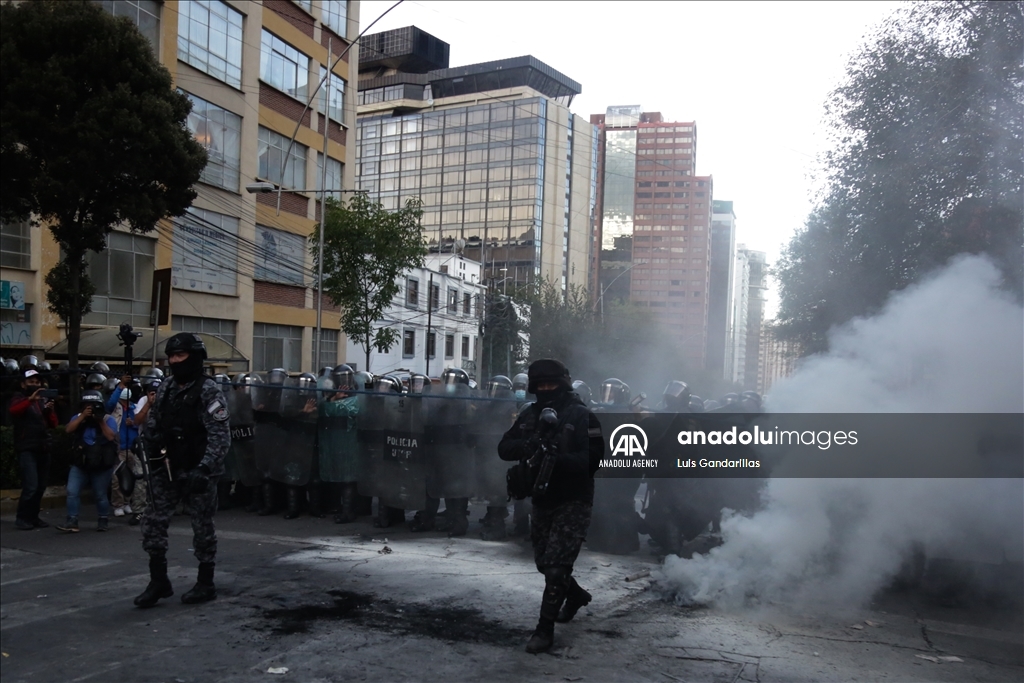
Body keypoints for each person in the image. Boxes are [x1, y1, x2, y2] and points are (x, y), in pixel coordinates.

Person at [498, 359, 604, 654]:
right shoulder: (529, 415)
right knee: (545, 563)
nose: (546, 390)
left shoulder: (583, 416)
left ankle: (544, 630)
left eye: (551, 384)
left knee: (557, 568)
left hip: (574, 498)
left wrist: (557, 460)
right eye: (540, 385)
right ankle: (577, 595)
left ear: (564, 384)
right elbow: (504, 447)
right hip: (542, 498)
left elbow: (595, 460)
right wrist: (530, 445)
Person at [133, 333, 230, 608]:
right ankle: (159, 580)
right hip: (168, 466)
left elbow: (220, 436)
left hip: (200, 469)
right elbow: (154, 424)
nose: (175, 361)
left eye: (181, 356)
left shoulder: (209, 391)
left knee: (202, 526)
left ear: (195, 357)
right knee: (152, 522)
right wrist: (147, 445)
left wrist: (205, 467)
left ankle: (205, 582)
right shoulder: (165, 388)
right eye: (172, 356)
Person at [58, 390, 119, 532]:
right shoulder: (78, 417)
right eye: (87, 405)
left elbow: (111, 437)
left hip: (101, 463)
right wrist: (83, 417)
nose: (91, 408)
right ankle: (72, 520)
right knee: (72, 491)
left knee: (100, 494)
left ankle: (103, 519)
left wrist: (100, 421)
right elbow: (68, 430)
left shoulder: (108, 419)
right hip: (81, 463)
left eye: (94, 405)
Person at [10, 368, 58, 530]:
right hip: (27, 447)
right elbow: (14, 411)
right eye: (31, 382)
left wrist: (49, 410)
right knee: (31, 485)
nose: (35, 385)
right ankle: (22, 517)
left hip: (43, 446)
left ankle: (34, 516)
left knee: (40, 486)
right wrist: (30, 399)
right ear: (23, 384)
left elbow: (53, 424)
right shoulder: (19, 398)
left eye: (37, 382)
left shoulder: (42, 400)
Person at [107, 384, 147, 523]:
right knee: (117, 478)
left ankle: (127, 503)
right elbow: (110, 403)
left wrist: (133, 423)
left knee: (133, 477)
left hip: (132, 447)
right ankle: (117, 504)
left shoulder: (133, 408)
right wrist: (118, 388)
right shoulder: (115, 408)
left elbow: (139, 422)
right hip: (120, 447)